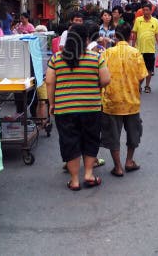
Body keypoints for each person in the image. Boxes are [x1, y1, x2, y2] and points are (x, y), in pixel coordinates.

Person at [46, 24, 111, 191]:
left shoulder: (56, 58)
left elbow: (49, 82)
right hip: (91, 107)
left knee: (70, 141)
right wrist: (92, 85)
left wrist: (52, 103)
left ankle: (74, 180)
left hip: (65, 108)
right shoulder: (96, 57)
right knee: (90, 139)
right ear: (87, 40)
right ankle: (88, 174)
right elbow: (105, 80)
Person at [100, 23, 148, 176]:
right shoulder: (135, 53)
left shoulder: (107, 53)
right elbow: (142, 76)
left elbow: (100, 76)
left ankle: (118, 167)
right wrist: (134, 86)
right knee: (133, 133)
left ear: (115, 36)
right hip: (131, 102)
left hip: (111, 101)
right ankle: (129, 161)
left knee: (113, 135)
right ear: (130, 36)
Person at [130, 3, 158, 94]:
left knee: (149, 70)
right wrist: (132, 47)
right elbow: (134, 34)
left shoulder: (155, 21)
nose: (145, 12)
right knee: (139, 70)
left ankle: (147, 86)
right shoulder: (138, 20)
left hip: (150, 49)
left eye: (147, 10)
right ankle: (139, 85)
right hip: (139, 49)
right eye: (143, 10)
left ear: (151, 10)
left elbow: (157, 35)